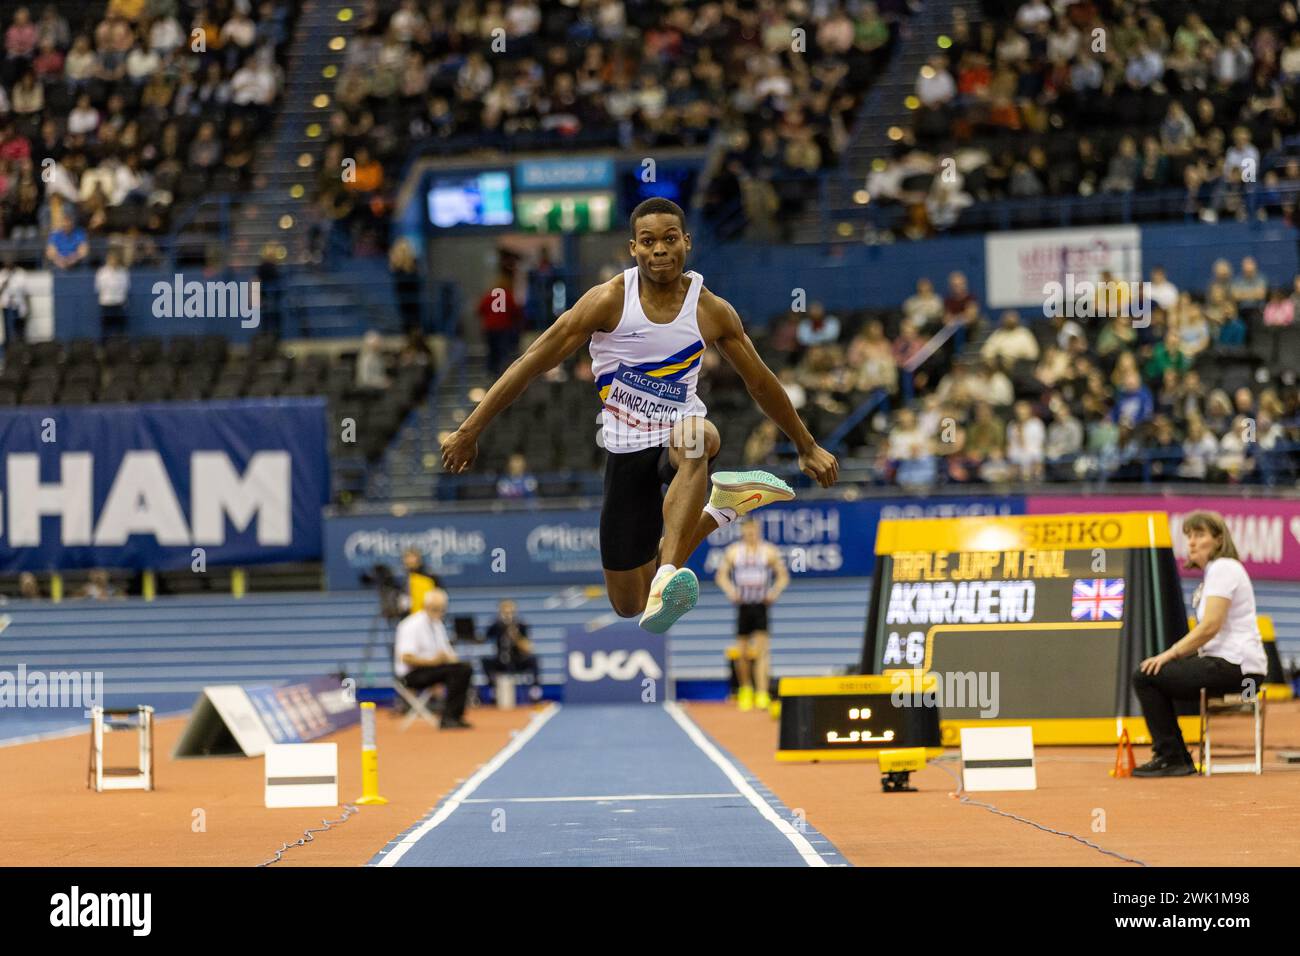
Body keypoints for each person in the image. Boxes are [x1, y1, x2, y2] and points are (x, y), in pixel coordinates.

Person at [441, 198, 838, 633]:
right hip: (625, 451)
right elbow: (531, 362)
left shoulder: (709, 310)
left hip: (678, 439)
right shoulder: (608, 301)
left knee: (696, 438)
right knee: (629, 604)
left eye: (670, 239)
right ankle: (723, 508)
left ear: (686, 242)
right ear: (633, 248)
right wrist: (468, 430)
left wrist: (807, 445)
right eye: (648, 241)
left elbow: (761, 382)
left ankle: (668, 575)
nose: (660, 250)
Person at [1132, 512, 1268, 776]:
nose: (1192, 542)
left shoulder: (1223, 567)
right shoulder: (1215, 573)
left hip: (1238, 670)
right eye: (1189, 536)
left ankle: (1172, 757)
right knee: (1157, 676)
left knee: (1146, 675)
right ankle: (1175, 755)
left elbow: (1210, 627)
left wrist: (1169, 655)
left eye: (1199, 535)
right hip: (1238, 669)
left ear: (1218, 540)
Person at [714, 518, 788, 712]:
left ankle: (762, 692)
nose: (750, 536)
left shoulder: (768, 551)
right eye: (747, 532)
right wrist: (731, 591)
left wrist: (773, 592)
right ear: (743, 532)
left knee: (763, 651)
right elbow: (721, 575)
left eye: (753, 532)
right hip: (744, 605)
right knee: (743, 652)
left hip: (760, 605)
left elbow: (783, 575)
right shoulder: (734, 552)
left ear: (758, 531)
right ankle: (746, 689)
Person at [394, 588, 473, 729]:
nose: (439, 612)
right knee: (457, 671)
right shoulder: (411, 625)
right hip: (412, 674)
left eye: (442, 609)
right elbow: (406, 658)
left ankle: (455, 716)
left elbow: (448, 653)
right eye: (435, 609)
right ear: (426, 606)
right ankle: (448, 718)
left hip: (432, 669)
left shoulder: (437, 624)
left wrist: (453, 661)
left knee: (464, 668)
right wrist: (434, 662)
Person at [482, 599, 542, 702]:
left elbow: (528, 647)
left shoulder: (521, 625)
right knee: (484, 661)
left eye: (510, 611)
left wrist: (516, 637)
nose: (507, 614)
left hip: (517, 660)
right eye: (505, 611)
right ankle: (493, 690)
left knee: (534, 660)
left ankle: (535, 691)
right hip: (501, 660)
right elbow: (484, 638)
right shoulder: (496, 625)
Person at [94, 249, 130, 339]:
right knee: (105, 328)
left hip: (119, 303)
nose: (113, 261)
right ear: (108, 259)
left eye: (115, 259)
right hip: (106, 304)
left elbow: (126, 287)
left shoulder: (123, 272)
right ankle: (103, 347)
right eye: (111, 259)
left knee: (122, 328)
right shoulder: (102, 272)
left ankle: (122, 345)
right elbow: (99, 287)